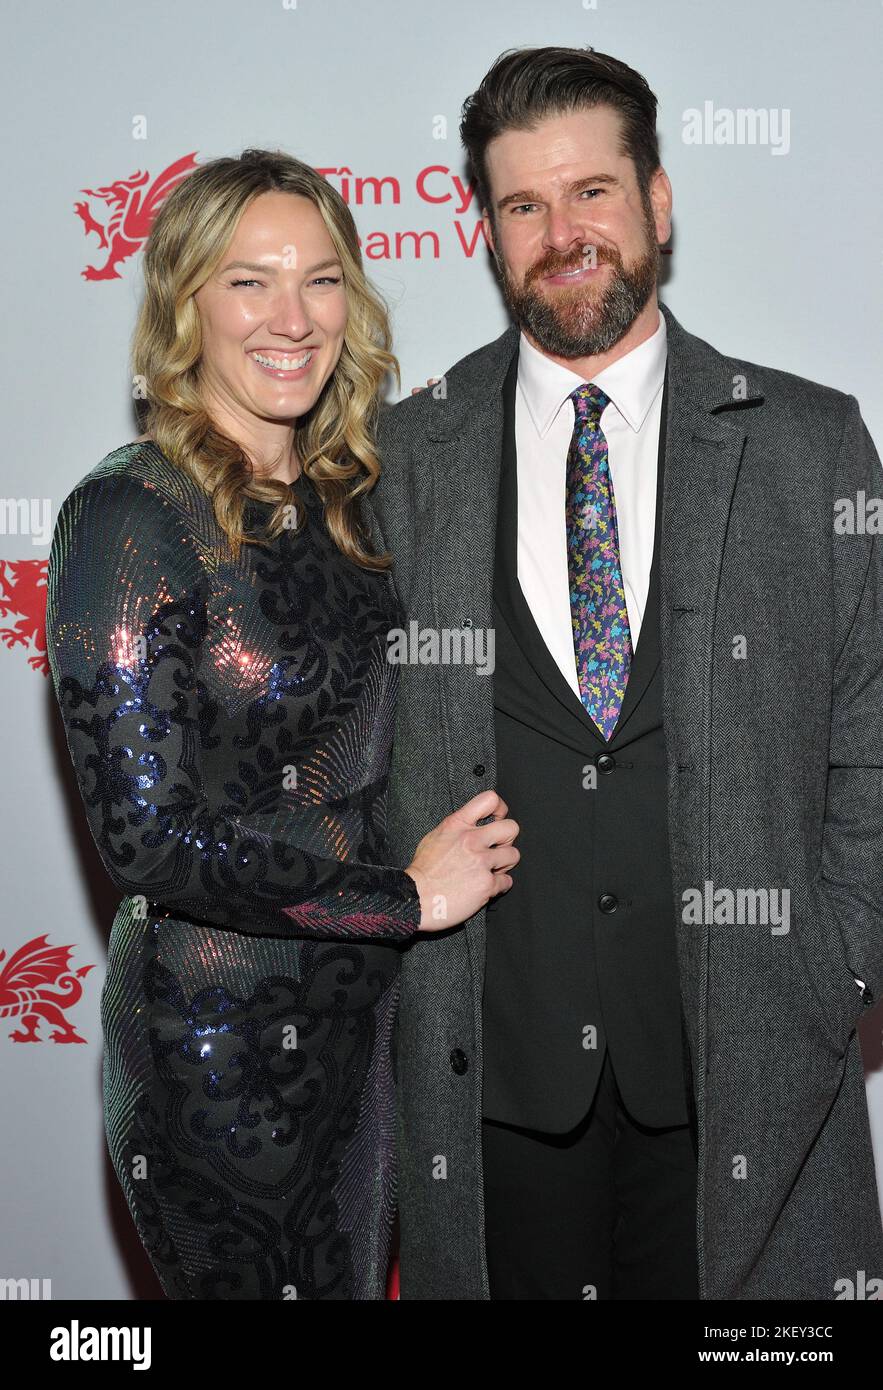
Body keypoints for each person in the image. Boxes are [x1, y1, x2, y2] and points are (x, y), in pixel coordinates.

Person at [373, 47, 883, 1299]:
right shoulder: (397, 458)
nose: (564, 234)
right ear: (489, 235)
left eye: (592, 192)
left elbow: (870, 740)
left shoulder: (811, 443)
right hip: (490, 1094)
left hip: (753, 1076)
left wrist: (834, 977)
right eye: (524, 206)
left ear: (657, 202)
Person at [45, 148, 519, 1301]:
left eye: (319, 280)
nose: (291, 318)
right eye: (249, 281)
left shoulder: (349, 499)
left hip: (365, 1036)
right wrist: (407, 898)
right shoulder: (129, 511)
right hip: (217, 1052)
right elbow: (146, 839)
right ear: (185, 303)